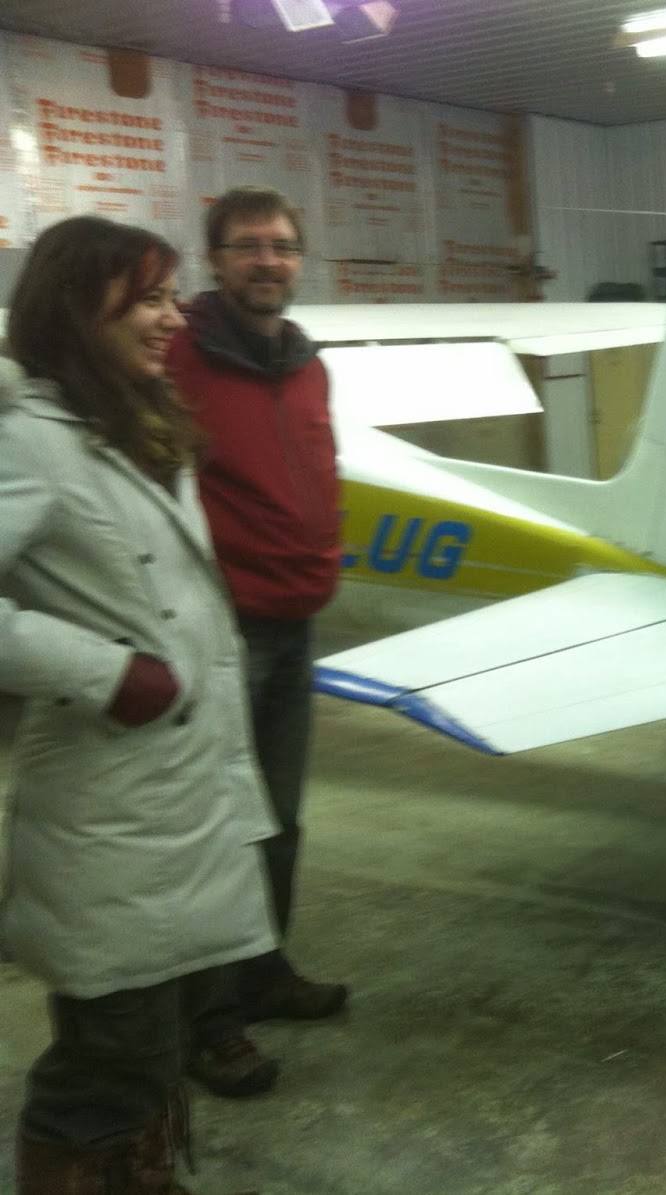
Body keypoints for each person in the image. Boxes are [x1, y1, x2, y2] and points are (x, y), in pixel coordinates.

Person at [0, 215, 275, 1192]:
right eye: (151, 298)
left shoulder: (135, 418)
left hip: (175, 796)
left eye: (171, 296)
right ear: (81, 306)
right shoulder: (30, 440)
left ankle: (144, 1178)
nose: (174, 319)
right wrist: (100, 669)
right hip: (107, 814)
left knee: (151, 1053)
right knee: (107, 1059)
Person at [165, 185, 347, 1097]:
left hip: (297, 618)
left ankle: (265, 969)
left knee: (279, 820)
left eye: (280, 245)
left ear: (298, 257)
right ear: (215, 260)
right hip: (226, 625)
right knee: (221, 832)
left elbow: (320, 462)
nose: (266, 260)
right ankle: (211, 1023)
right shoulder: (176, 356)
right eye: (245, 246)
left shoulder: (308, 364)